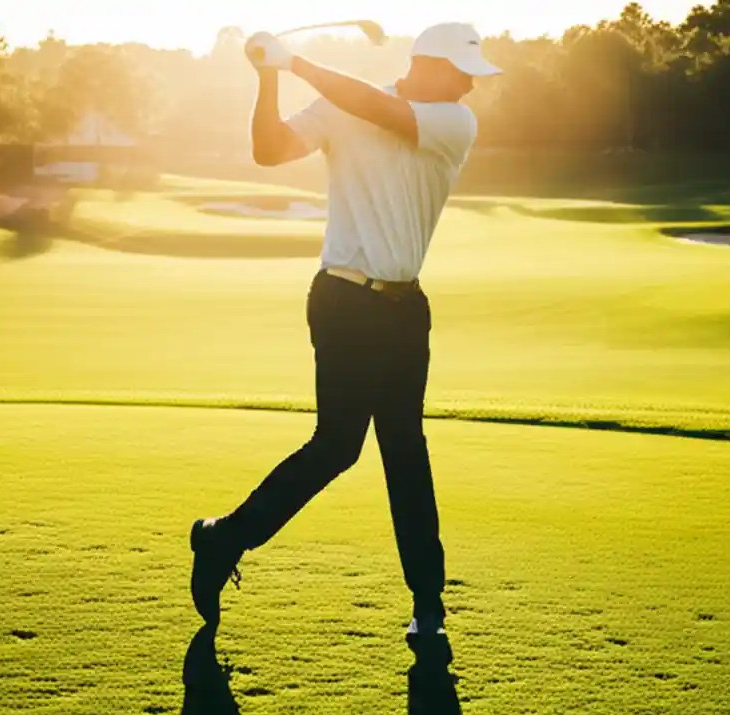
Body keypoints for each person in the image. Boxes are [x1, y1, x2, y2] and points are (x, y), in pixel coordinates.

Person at [188, 22, 501, 655]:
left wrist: (294, 59)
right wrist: (268, 77)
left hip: (406, 307)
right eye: (464, 70)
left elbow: (382, 108)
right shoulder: (344, 102)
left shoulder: (452, 122)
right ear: (428, 63)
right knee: (337, 447)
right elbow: (270, 150)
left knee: (406, 451)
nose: (473, 83)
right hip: (343, 301)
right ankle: (226, 539)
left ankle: (427, 607)